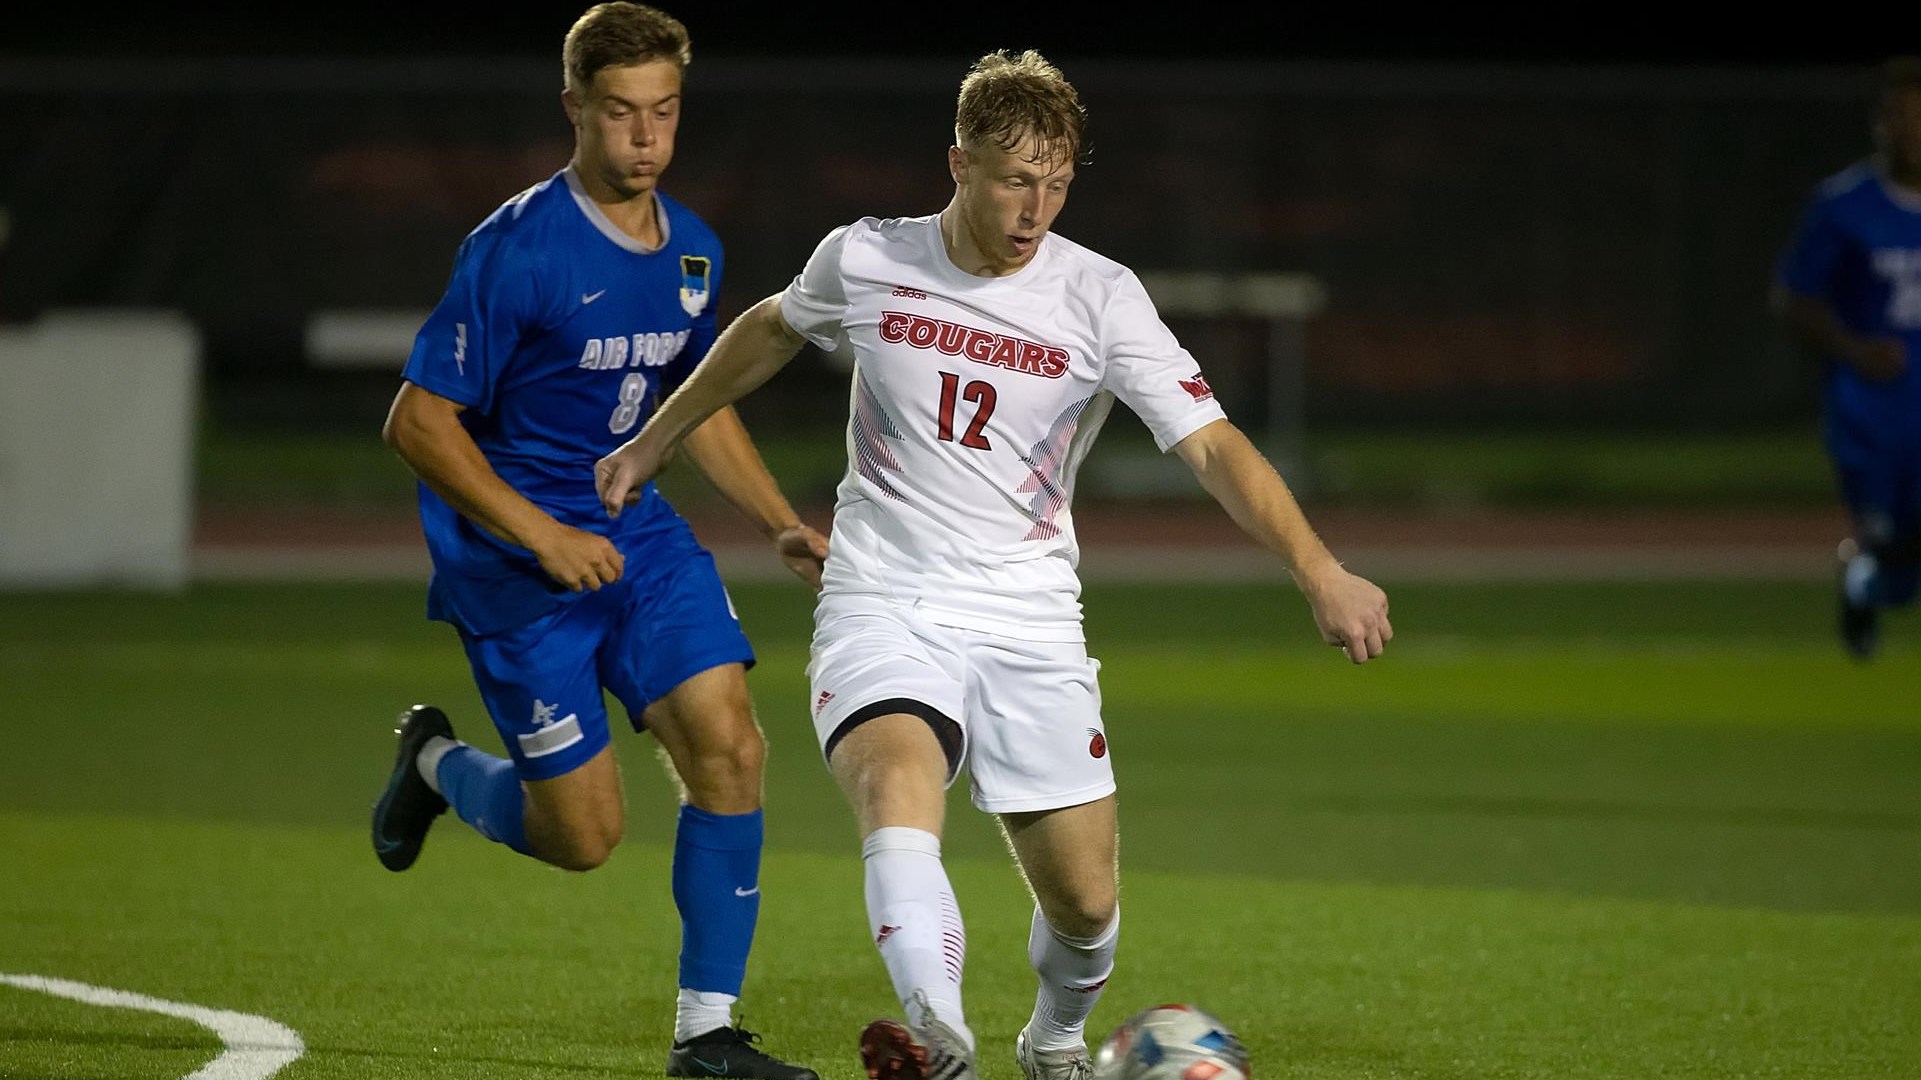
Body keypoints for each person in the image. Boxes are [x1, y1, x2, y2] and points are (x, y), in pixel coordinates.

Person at [594, 48, 1392, 1080]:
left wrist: (1317, 568)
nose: (1036, 208)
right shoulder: (869, 257)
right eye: (1017, 179)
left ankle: (1053, 1039)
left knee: (1086, 905)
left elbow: (1212, 445)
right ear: (959, 163)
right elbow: (768, 328)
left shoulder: (1100, 297)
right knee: (895, 788)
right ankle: (940, 1032)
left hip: (1029, 617)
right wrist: (658, 437)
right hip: (884, 595)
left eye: (1057, 184)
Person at [367, 5, 826, 1076]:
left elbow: (692, 407)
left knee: (732, 743)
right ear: (574, 108)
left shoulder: (696, 255)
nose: (644, 137)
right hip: (516, 568)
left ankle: (707, 1039)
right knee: (582, 837)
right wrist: (541, 536)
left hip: (638, 542)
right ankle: (434, 766)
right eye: (619, 113)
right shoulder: (516, 250)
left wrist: (781, 525)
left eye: (663, 112)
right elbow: (416, 423)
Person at [1772, 55, 1921, 661]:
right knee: (1892, 551)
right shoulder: (1843, 206)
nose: (1913, 131)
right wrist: (1855, 350)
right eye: (1901, 117)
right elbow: (1794, 299)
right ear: (1879, 123)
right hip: (1876, 411)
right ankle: (1863, 584)